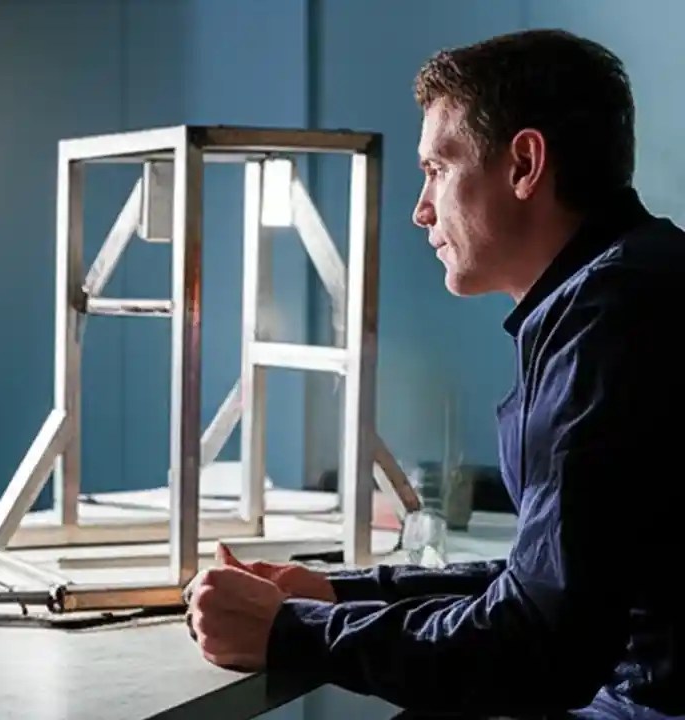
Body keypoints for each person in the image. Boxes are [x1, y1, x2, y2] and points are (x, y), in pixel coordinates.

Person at [185, 28, 685, 720]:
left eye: (437, 169)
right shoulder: (632, 281)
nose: (422, 209)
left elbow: (540, 645)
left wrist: (292, 631)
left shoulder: (612, 319)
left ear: (524, 165)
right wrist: (340, 594)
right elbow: (554, 583)